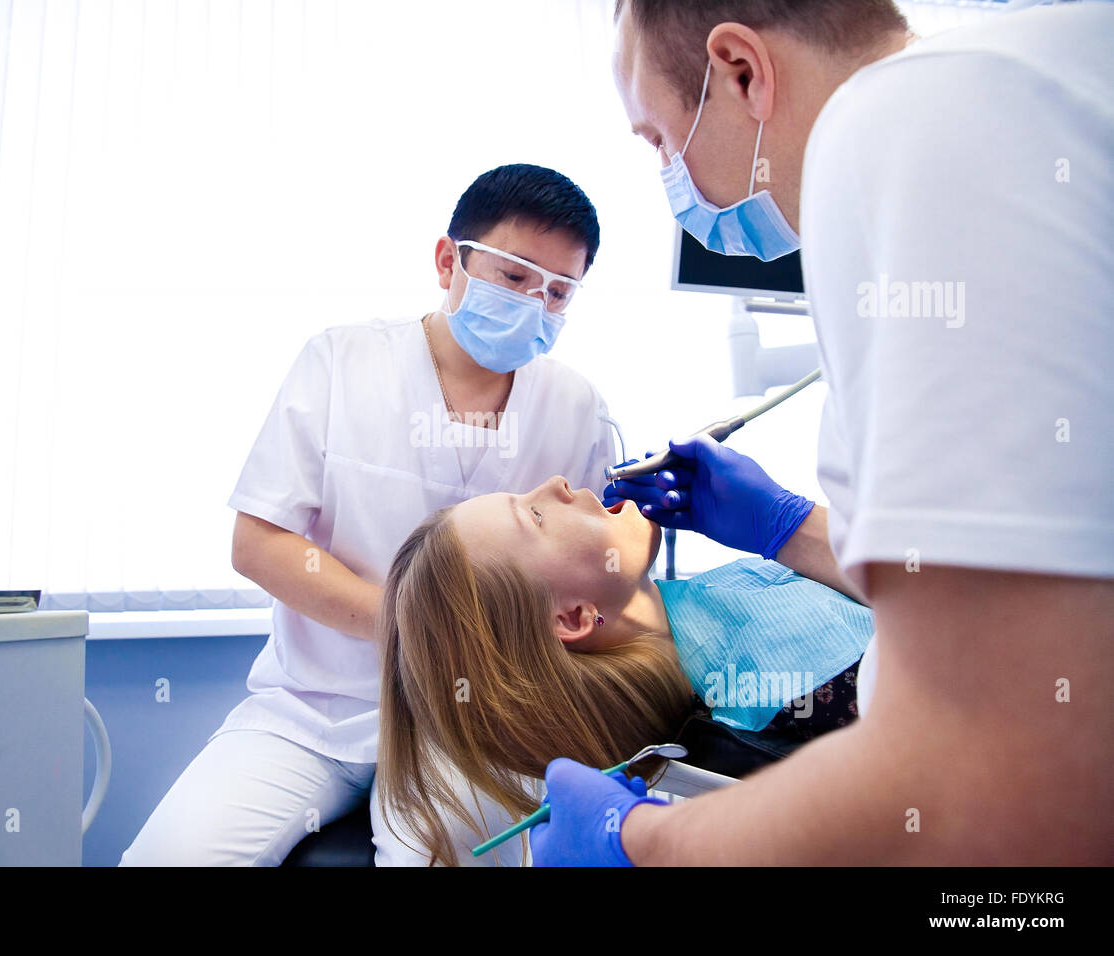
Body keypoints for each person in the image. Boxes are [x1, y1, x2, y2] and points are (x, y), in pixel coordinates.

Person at [532, 0, 1113, 865]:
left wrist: (645, 839)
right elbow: (1043, 598)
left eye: (658, 140)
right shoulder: (1001, 91)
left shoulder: (897, 136)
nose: (671, 177)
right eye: (526, 516)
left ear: (741, 70)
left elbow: (998, 766)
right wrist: (788, 527)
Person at [118, 164, 620, 866]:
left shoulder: (576, 407)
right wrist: (418, 628)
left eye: (558, 292)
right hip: (314, 708)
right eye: (515, 277)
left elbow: (598, 577)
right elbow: (260, 541)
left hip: (476, 721)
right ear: (450, 259)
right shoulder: (342, 363)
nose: (536, 305)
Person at [378, 474, 874, 866]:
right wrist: (794, 525)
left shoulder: (706, 615)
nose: (557, 484)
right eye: (535, 514)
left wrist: (788, 527)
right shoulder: (768, 700)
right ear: (573, 616)